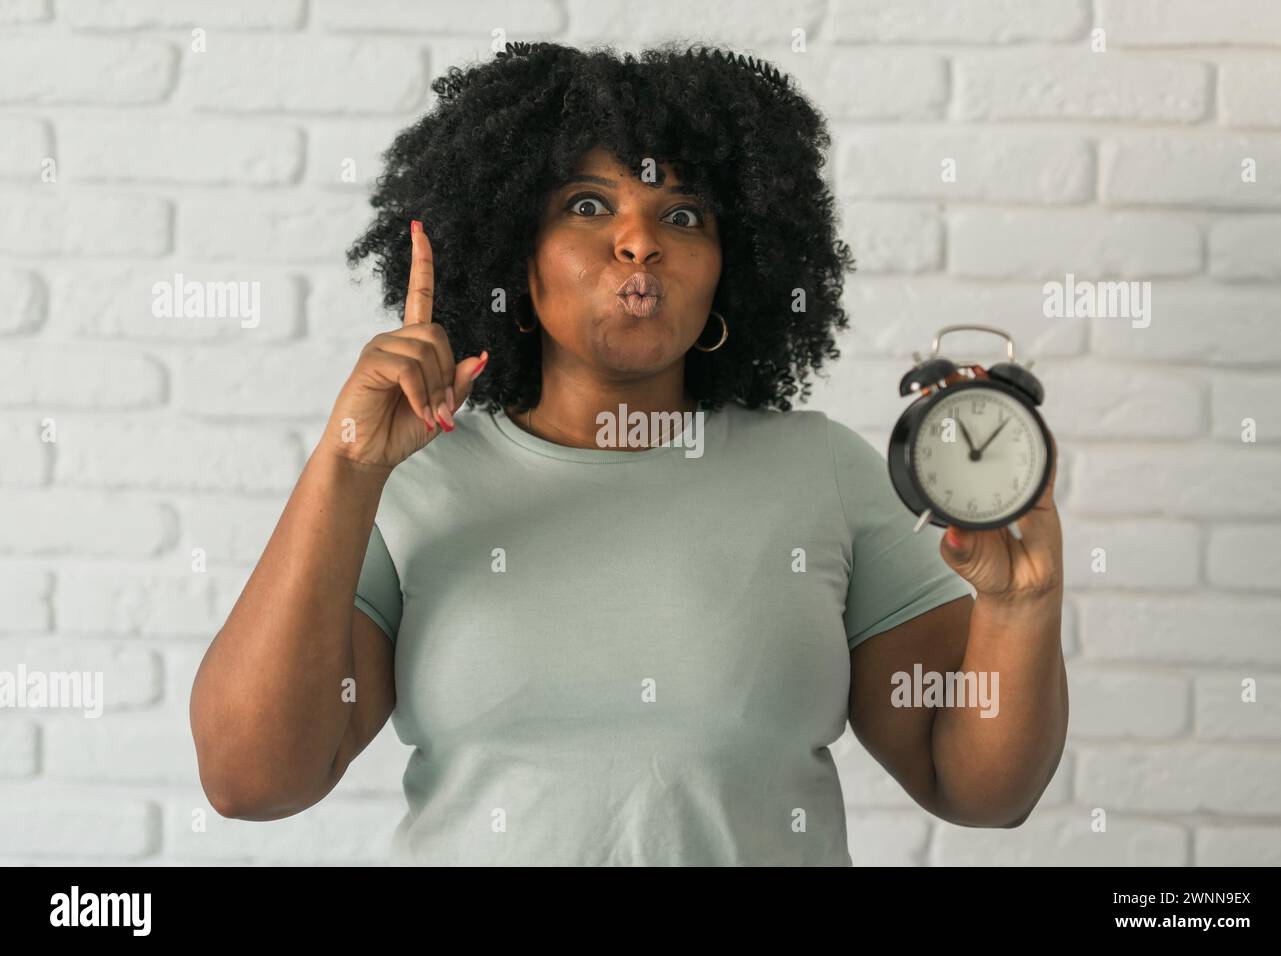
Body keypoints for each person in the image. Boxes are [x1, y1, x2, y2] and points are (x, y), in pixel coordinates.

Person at [190, 41, 1067, 866]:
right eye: (587, 205)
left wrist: (1019, 610)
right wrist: (348, 467)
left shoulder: (823, 474)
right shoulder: (413, 484)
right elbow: (250, 781)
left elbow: (980, 790)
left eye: (682, 215)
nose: (639, 239)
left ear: (734, 266)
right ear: (515, 257)